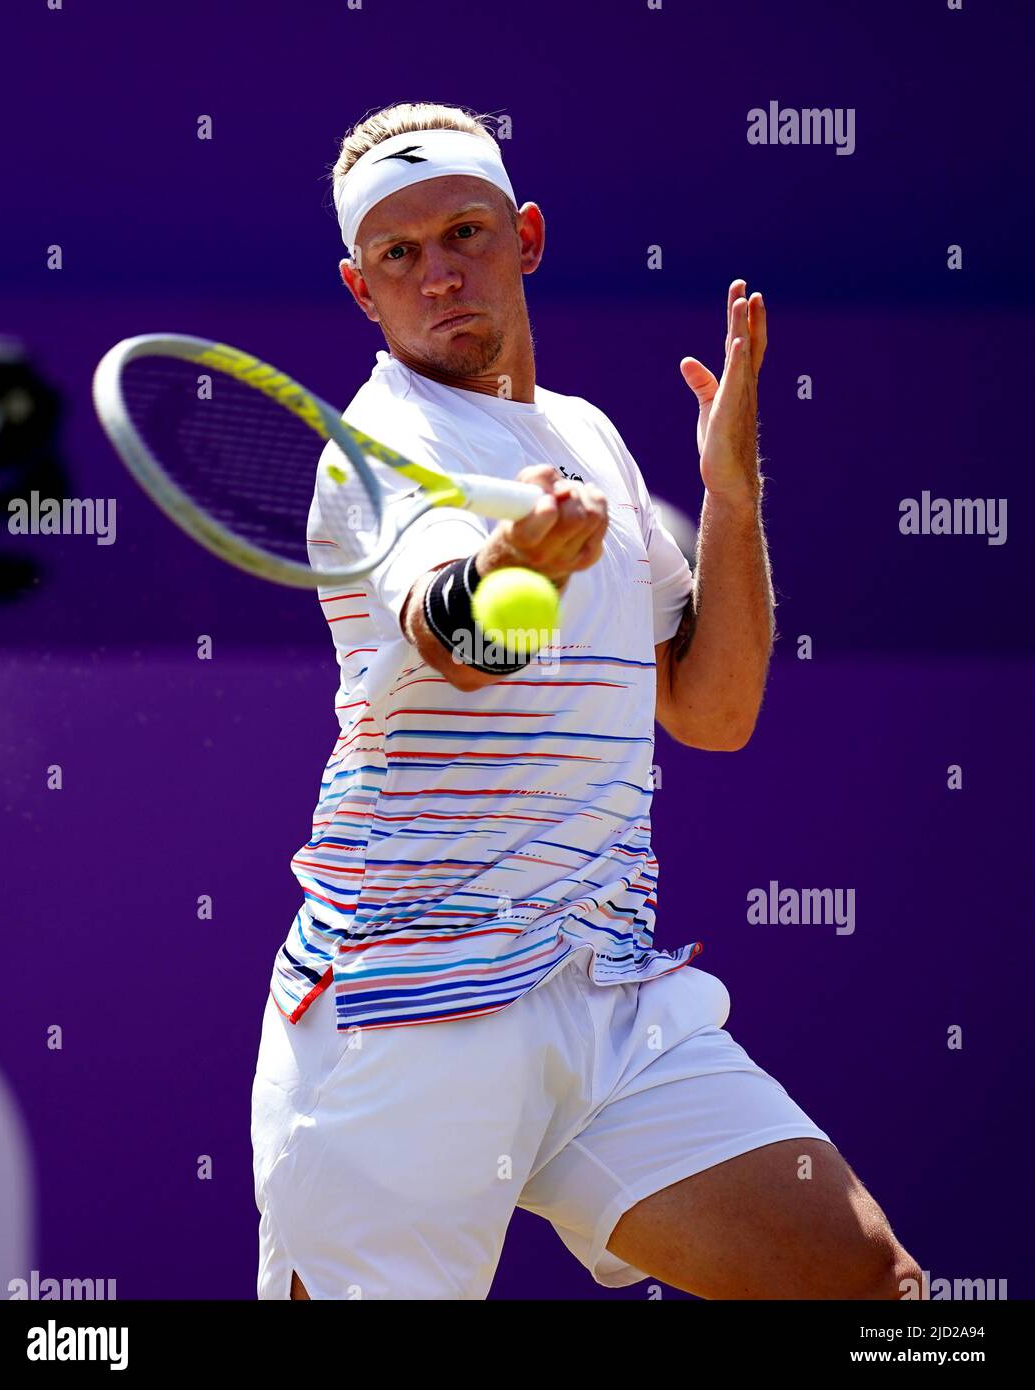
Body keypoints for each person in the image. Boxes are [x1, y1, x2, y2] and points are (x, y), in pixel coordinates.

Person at [250, 101, 919, 1301]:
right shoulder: (376, 445)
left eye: (463, 233)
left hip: (605, 995)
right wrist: (523, 569)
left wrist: (730, 493)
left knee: (863, 1287)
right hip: (407, 1012)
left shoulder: (586, 436)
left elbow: (711, 709)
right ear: (362, 290)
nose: (437, 274)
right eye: (398, 254)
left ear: (525, 237)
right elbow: (460, 641)